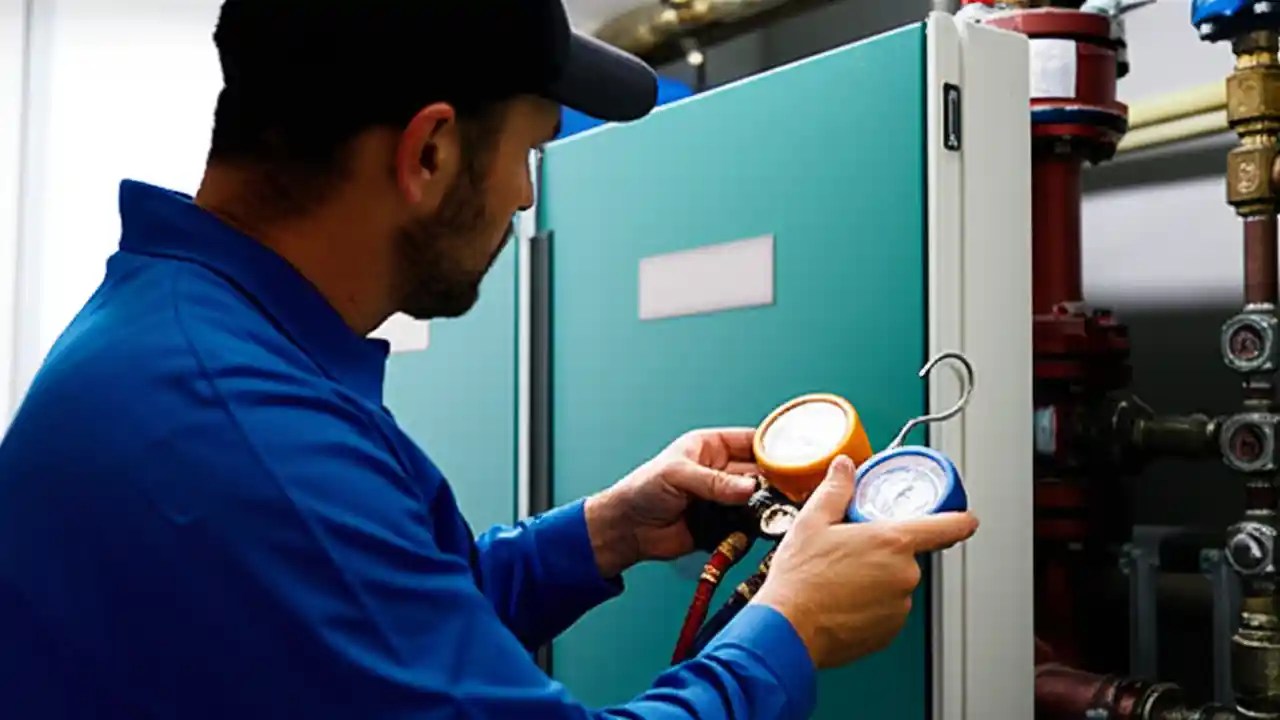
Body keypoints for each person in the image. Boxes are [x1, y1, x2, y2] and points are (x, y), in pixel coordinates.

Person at [0, 1, 979, 718]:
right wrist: (792, 632)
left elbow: (386, 629)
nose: (521, 197)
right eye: (529, 151)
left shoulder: (189, 342)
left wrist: (602, 533)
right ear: (427, 154)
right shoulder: (247, 430)